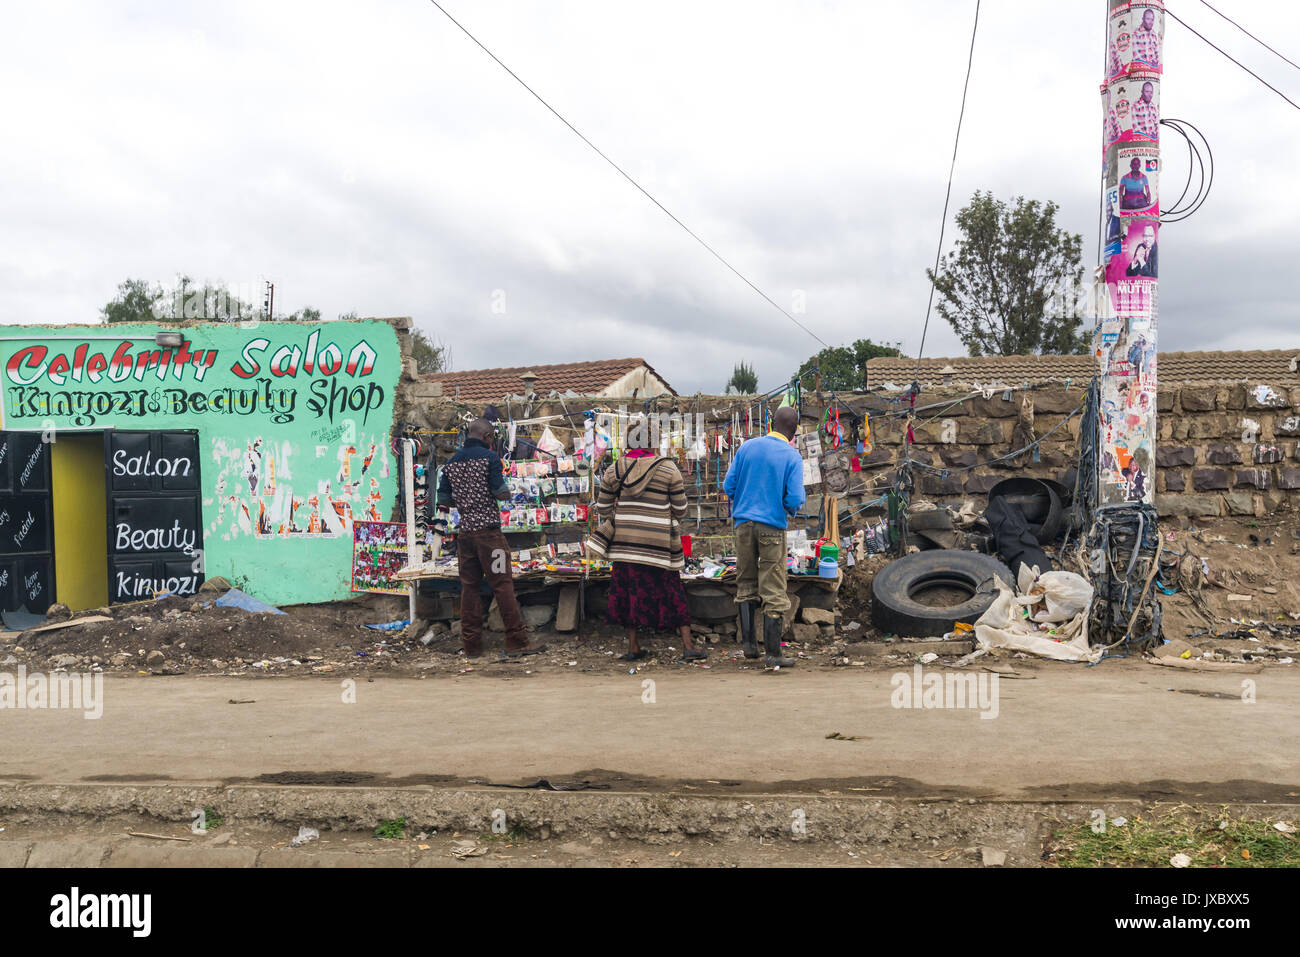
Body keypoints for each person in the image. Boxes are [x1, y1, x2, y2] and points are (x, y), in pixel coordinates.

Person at [588, 419, 706, 662]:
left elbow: (602, 507)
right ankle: (688, 645)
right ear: (653, 442)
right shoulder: (668, 469)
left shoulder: (615, 469)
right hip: (659, 546)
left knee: (630, 592)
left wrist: (624, 518)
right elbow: (681, 509)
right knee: (672, 592)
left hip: (625, 546)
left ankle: (633, 646)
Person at [435, 418, 545, 658]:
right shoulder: (490, 458)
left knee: (470, 588)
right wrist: (511, 491)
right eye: (493, 438)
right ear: (487, 437)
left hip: (465, 536)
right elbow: (501, 493)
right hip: (490, 536)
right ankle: (516, 640)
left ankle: (472, 646)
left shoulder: (451, 463)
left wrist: (466, 501)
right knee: (502, 585)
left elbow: (443, 500)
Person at [723, 405, 805, 668]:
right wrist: (786, 508)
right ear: (794, 431)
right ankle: (772, 653)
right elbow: (794, 498)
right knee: (773, 587)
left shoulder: (747, 447)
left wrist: (746, 500)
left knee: (745, 582)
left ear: (771, 423)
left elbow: (728, 486)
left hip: (743, 525)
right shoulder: (792, 456)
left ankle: (748, 646)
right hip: (771, 526)